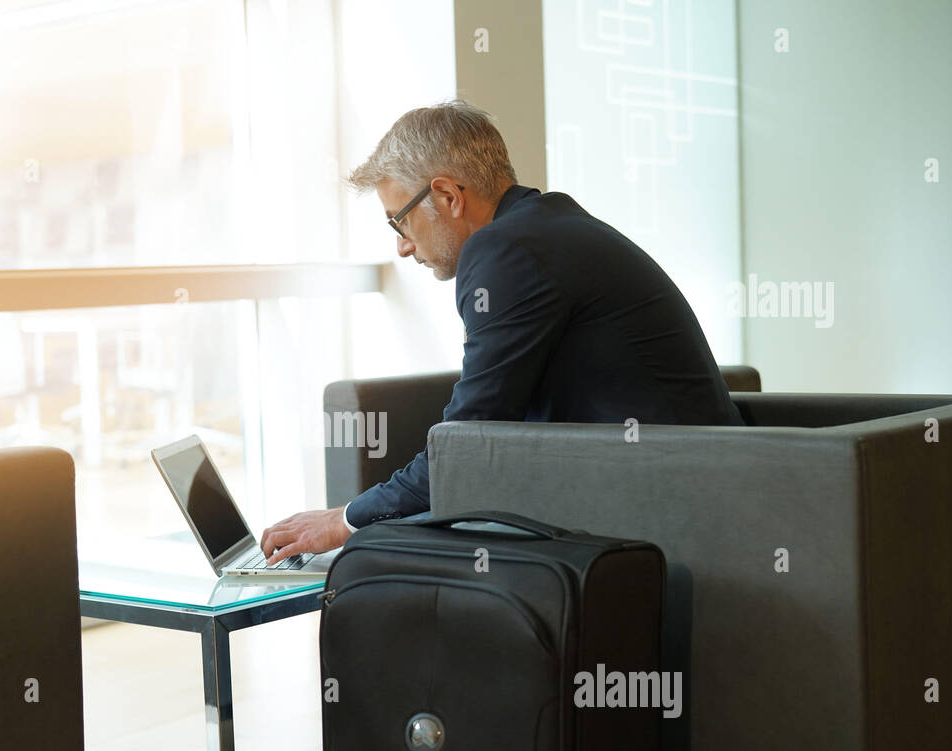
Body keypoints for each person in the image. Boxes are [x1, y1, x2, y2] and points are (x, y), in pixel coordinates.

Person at [259, 99, 743, 565]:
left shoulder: (507, 251)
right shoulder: (546, 225)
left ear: (447, 196)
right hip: (698, 487)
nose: (404, 247)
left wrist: (344, 521)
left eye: (399, 221)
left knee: (380, 554)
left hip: (666, 511)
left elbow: (467, 441)